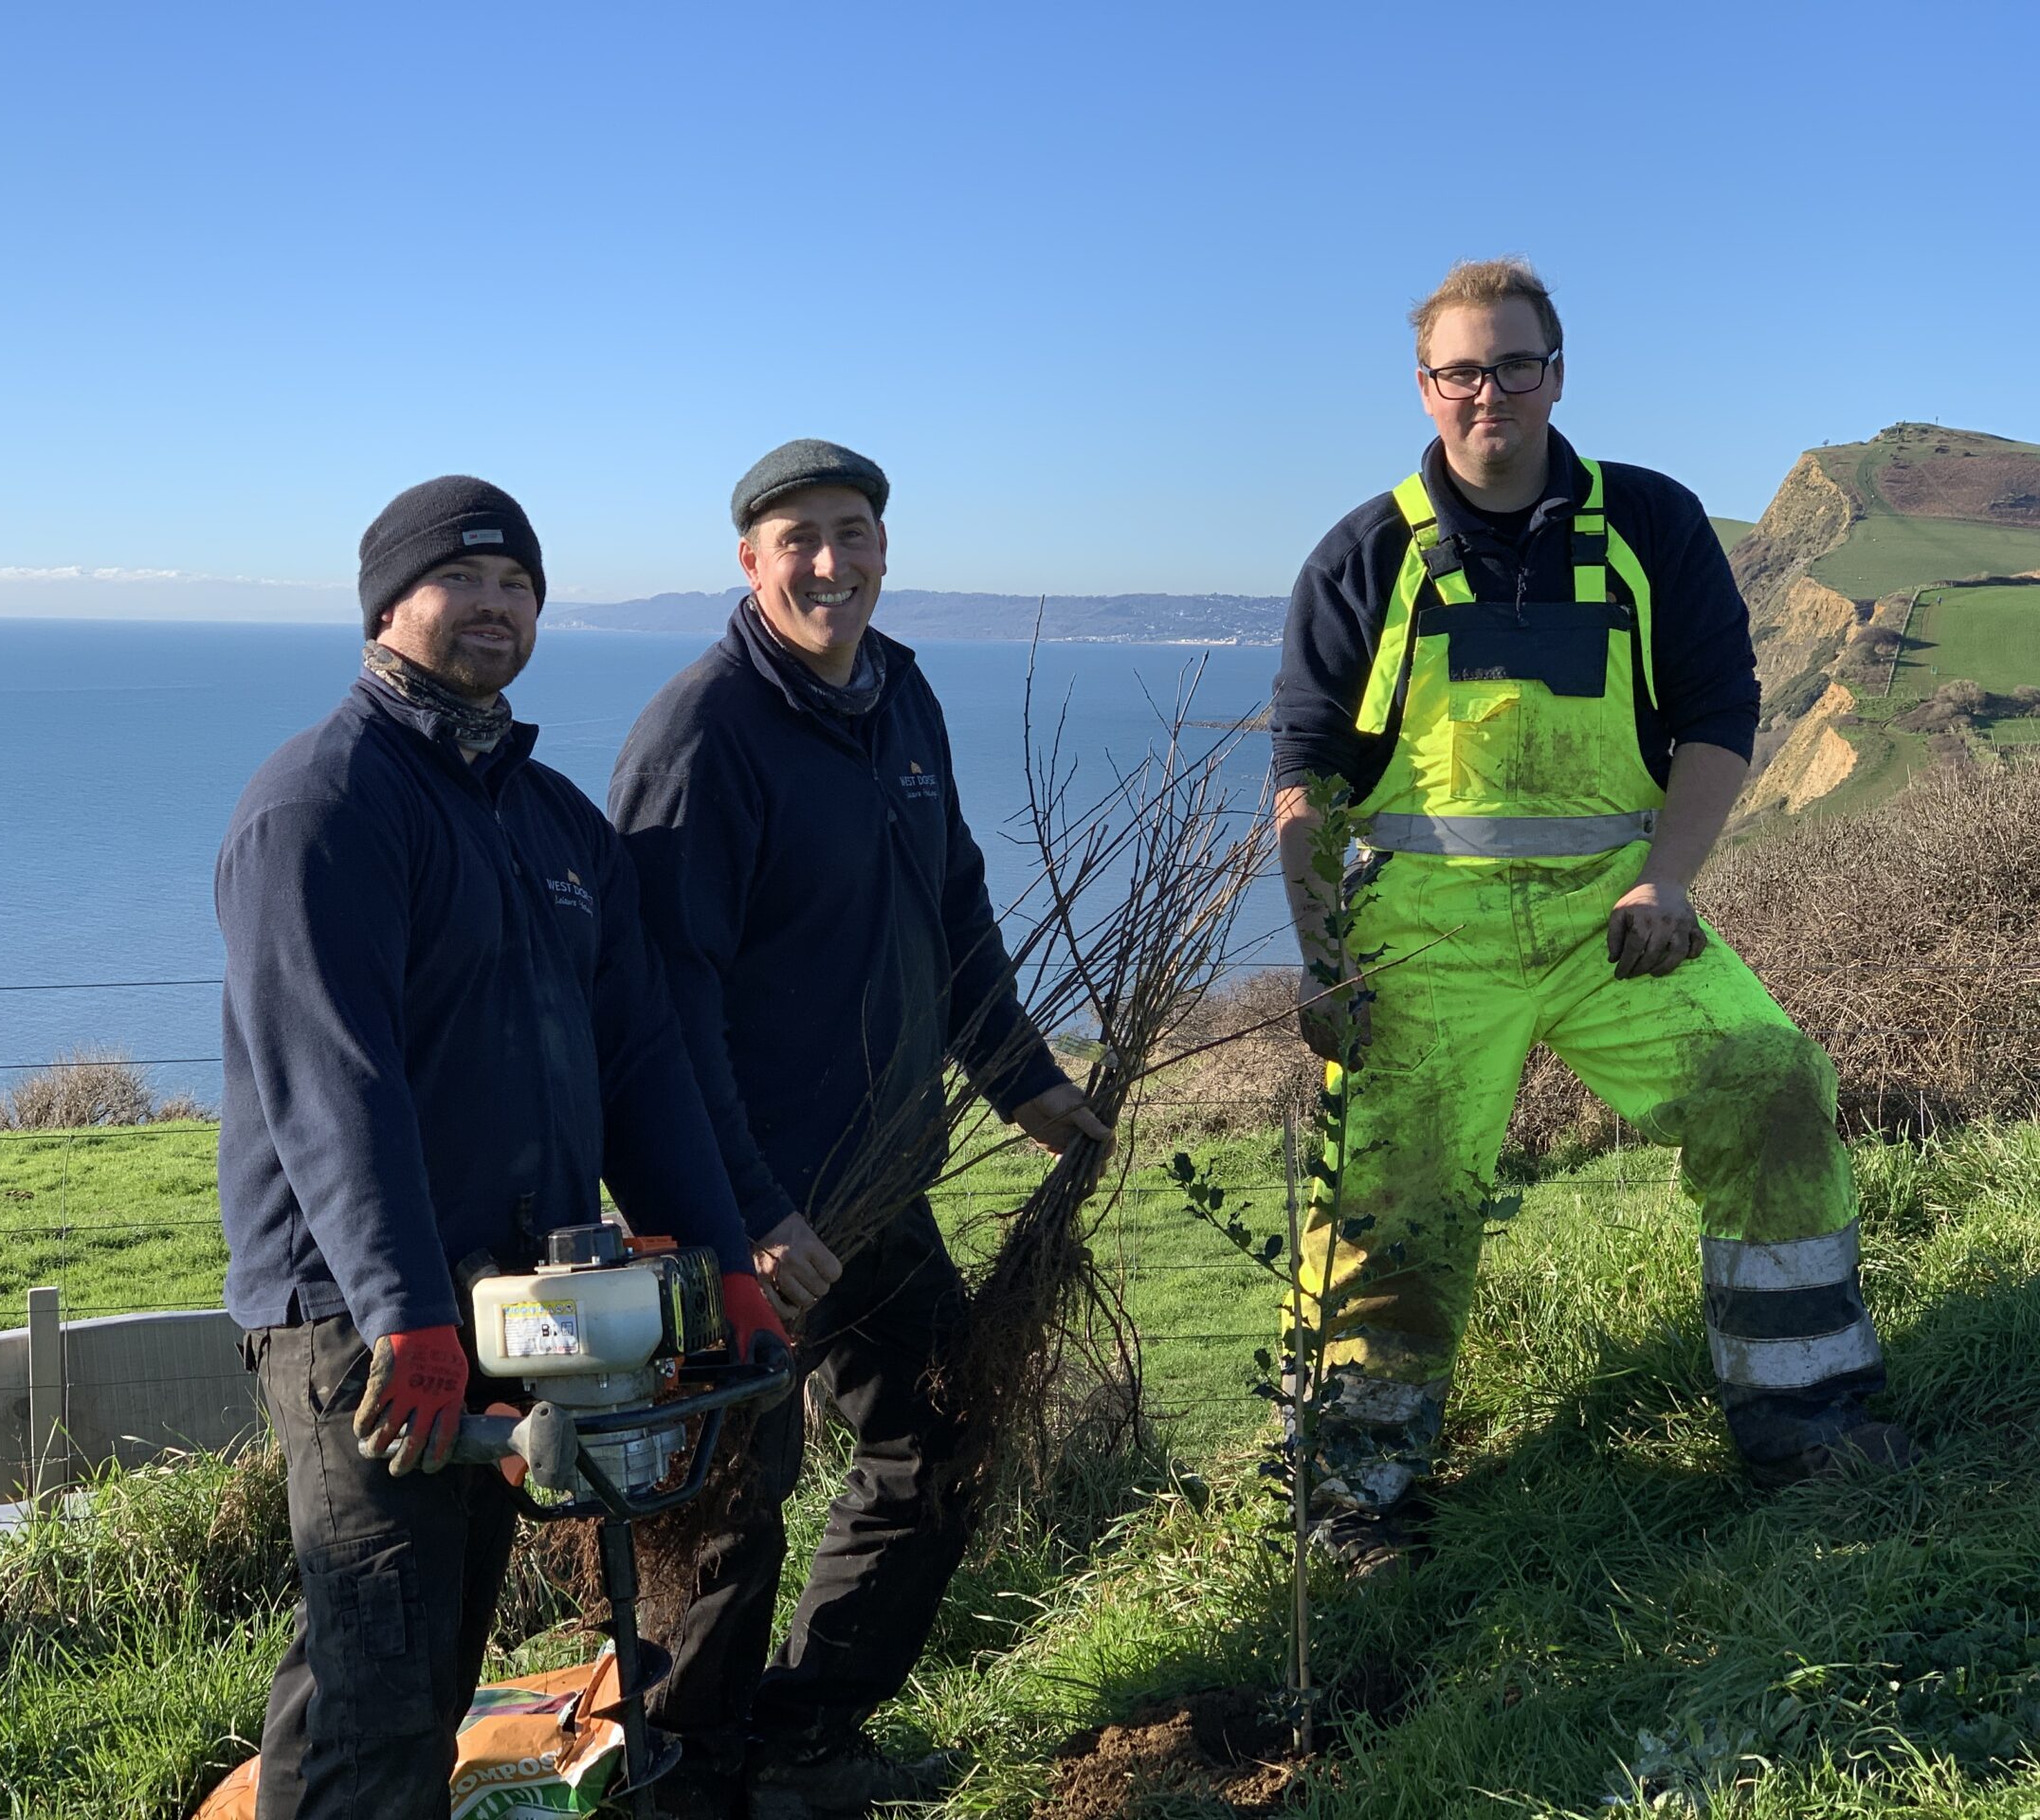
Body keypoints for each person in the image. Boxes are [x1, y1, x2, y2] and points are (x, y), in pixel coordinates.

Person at [1268, 259, 1913, 1571]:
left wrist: (1665, 878)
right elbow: (1305, 777)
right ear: (1426, 386)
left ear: (1557, 375)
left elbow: (1719, 723)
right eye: (1463, 369)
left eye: (1516, 364)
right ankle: (1354, 1502)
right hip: (1423, 942)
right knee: (1392, 1204)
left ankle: (1808, 1423)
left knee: (1773, 1086)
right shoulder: (1366, 554)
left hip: (1617, 921)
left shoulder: (1650, 527)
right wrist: (1325, 962)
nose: (1489, 391)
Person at [215, 475, 789, 1820]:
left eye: (517, 584)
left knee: (398, 1658)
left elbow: (640, 1063)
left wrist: (727, 1264)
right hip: (361, 1321)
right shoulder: (322, 806)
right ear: (387, 607)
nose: (494, 607)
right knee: (384, 1678)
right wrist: (407, 1315)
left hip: (509, 1307)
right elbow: (331, 1085)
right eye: (459, 582)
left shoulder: (550, 823)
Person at [610, 439, 1111, 1817]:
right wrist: (744, 1219)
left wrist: (1021, 1078)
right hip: (743, 1214)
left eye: (854, 532)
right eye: (799, 540)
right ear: (749, 561)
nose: (831, 562)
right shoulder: (701, 737)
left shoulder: (902, 699)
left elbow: (954, 914)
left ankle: (802, 1735)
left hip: (878, 1190)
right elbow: (656, 1017)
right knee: (723, 1515)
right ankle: (689, 1782)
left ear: (885, 545)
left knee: (942, 1438)